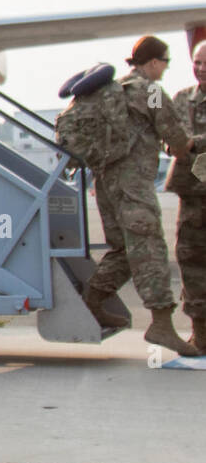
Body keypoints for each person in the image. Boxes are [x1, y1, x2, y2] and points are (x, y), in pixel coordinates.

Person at [82, 36, 198, 355]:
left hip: (106, 182)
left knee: (123, 250)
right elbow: (176, 138)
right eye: (165, 62)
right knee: (151, 249)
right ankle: (161, 325)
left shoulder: (114, 89)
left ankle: (91, 302)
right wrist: (189, 147)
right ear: (153, 63)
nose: (166, 68)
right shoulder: (152, 93)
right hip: (132, 184)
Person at [169, 41, 206, 352]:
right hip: (192, 198)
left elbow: (189, 142)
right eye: (197, 62)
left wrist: (192, 143)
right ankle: (201, 336)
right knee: (191, 265)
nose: (201, 68)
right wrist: (173, 144)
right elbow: (168, 132)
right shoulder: (181, 98)